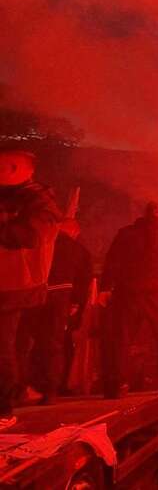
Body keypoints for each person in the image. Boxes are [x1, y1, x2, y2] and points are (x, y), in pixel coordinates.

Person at [100, 202, 158, 397]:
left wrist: (104, 288)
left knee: (123, 339)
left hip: (129, 292)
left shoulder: (126, 233)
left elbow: (112, 261)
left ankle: (118, 384)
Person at [0, 146, 61, 430]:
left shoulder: (40, 201)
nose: (4, 170)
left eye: (11, 166)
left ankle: (2, 408)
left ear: (25, 170)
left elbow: (31, 236)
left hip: (14, 285)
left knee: (3, 345)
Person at [17, 216, 92, 405]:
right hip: (60, 298)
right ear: (74, 231)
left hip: (33, 295)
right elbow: (84, 279)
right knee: (53, 344)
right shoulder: (76, 248)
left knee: (25, 343)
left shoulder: (38, 241)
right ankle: (50, 388)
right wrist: (77, 303)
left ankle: (24, 385)